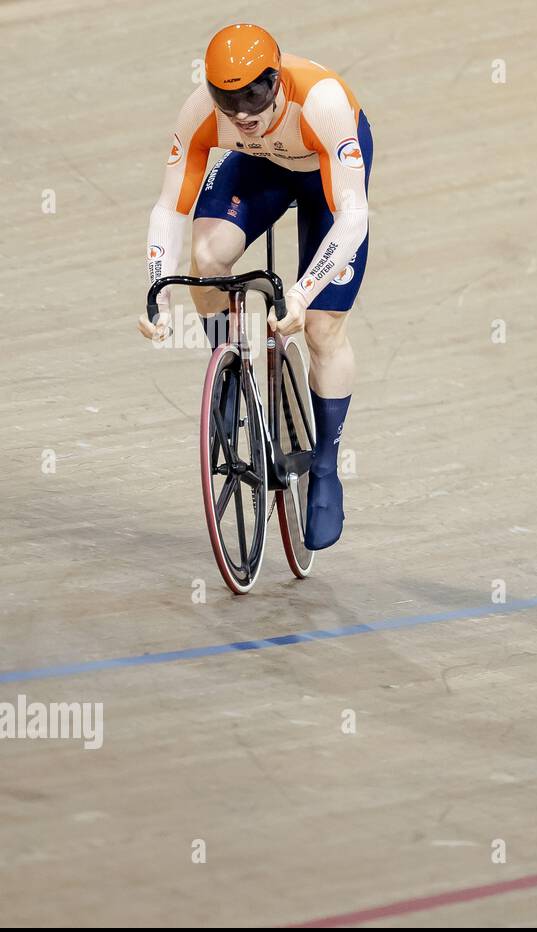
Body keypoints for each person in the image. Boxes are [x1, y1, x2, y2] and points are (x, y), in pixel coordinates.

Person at [138, 24, 371, 550]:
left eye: (254, 94)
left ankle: (327, 467)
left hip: (325, 178)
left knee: (320, 329)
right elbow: (168, 207)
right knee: (205, 256)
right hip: (262, 167)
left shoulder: (322, 102)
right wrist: (157, 288)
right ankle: (229, 366)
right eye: (228, 99)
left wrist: (304, 290)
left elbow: (353, 218)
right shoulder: (200, 112)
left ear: (276, 78)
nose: (241, 111)